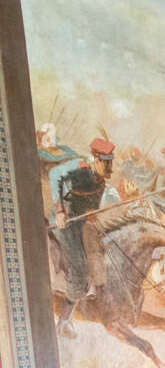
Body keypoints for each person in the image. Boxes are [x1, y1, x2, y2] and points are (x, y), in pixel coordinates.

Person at [49, 136, 116, 334]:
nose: (109, 166)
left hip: (82, 225)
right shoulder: (80, 168)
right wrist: (60, 210)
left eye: (110, 162)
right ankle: (64, 322)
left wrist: (94, 215)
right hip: (65, 223)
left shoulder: (101, 182)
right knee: (79, 267)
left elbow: (92, 208)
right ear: (96, 159)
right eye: (106, 162)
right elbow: (55, 175)